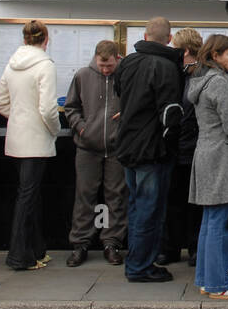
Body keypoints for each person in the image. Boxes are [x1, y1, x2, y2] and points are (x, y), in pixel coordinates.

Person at [112, 17, 183, 283]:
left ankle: (135, 260)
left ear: (144, 35)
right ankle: (141, 266)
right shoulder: (166, 66)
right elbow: (170, 113)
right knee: (149, 209)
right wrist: (169, 143)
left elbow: (122, 94)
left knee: (135, 206)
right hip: (153, 149)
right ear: (169, 37)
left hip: (127, 144)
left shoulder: (128, 62)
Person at [188, 34, 228, 300]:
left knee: (210, 220)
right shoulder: (218, 83)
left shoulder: (206, 80)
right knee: (217, 222)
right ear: (215, 56)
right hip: (222, 155)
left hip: (205, 153)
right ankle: (219, 284)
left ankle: (206, 279)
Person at [0, 20, 60, 271]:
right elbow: (48, 109)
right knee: (28, 197)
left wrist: (20, 118)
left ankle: (36, 250)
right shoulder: (45, 65)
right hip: (37, 138)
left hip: (17, 137)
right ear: (46, 39)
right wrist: (52, 130)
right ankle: (20, 256)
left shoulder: (12, 64)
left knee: (28, 195)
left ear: (24, 39)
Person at [64, 40, 126, 267]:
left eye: (109, 65)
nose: (105, 70)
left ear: (116, 59)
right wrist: (81, 127)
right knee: (84, 196)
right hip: (87, 146)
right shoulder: (83, 75)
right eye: (101, 65)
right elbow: (71, 107)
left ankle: (111, 242)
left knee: (115, 197)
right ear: (95, 59)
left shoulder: (125, 75)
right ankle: (80, 243)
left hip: (116, 147)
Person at [163, 27, 203, 266]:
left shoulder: (189, 76)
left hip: (188, 147)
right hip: (185, 147)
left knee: (183, 203)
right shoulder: (191, 75)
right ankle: (182, 248)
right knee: (183, 203)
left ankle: (181, 248)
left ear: (185, 50)